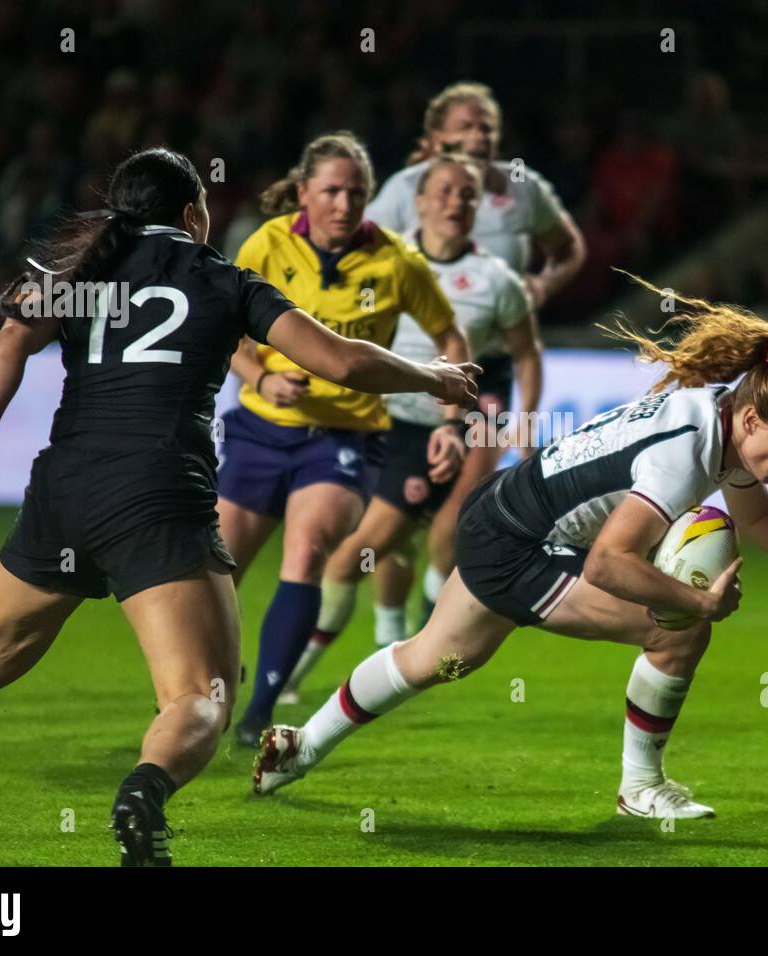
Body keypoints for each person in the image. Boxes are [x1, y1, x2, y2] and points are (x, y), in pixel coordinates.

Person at [0, 147, 477, 866]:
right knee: (200, 694)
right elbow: (341, 361)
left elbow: (8, 341)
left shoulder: (79, 274)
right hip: (157, 495)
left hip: (63, 490)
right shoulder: (222, 278)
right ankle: (144, 795)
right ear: (192, 213)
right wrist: (436, 377)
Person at [254, 280, 768, 818]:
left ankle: (299, 746)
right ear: (754, 418)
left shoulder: (718, 420)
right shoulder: (686, 449)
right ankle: (641, 788)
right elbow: (608, 562)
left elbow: (755, 517)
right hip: (522, 543)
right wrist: (694, 602)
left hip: (501, 514)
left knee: (435, 660)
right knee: (676, 630)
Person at [217, 132, 472, 745]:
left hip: (345, 437)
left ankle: (261, 709)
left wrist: (449, 422)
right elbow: (222, 328)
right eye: (330, 190)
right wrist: (258, 375)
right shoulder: (266, 244)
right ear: (303, 192)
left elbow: (451, 339)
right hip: (258, 430)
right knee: (216, 572)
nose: (344, 203)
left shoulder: (395, 261)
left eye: (356, 191)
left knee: (307, 553)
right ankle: (206, 686)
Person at [276, 155, 538, 702]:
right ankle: (393, 649)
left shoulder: (496, 280)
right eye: (443, 192)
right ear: (418, 201)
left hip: (431, 429)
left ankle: (287, 678)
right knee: (385, 550)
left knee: (355, 554)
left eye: (466, 196)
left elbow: (525, 355)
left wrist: (521, 421)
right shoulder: (386, 258)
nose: (454, 204)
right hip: (368, 421)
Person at [366, 81, 585, 631]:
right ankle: (389, 633)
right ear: (434, 136)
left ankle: (433, 616)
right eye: (464, 125)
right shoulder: (403, 190)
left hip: (486, 371)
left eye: (486, 124)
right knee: (395, 525)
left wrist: (541, 284)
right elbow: (357, 256)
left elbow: (570, 247)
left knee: (462, 508)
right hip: (406, 371)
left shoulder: (521, 186)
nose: (479, 135)